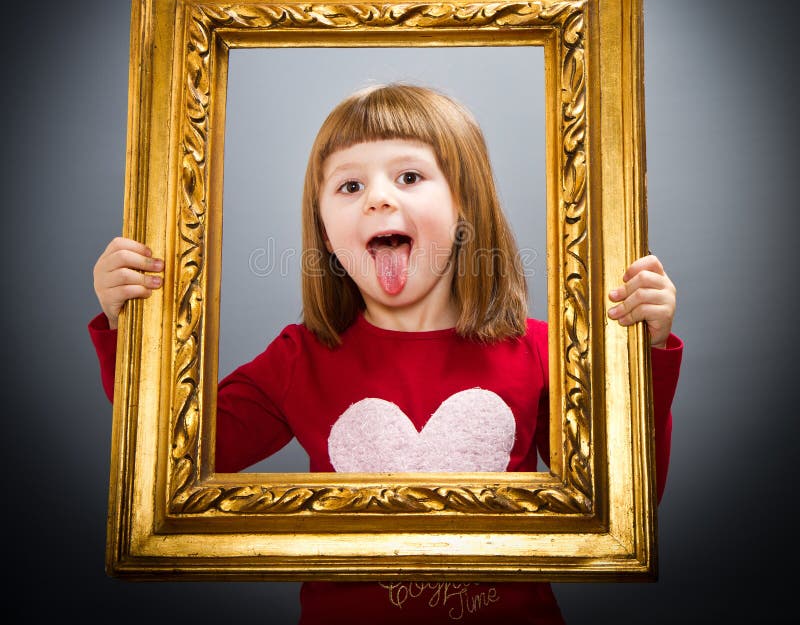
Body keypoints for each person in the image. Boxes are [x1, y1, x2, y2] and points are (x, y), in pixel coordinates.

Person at [89, 84, 681, 624]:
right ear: (325, 231)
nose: (377, 199)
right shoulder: (300, 359)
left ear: (464, 210)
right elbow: (169, 458)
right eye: (350, 186)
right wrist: (131, 328)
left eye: (409, 178)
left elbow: (621, 498)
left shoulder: (541, 350)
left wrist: (644, 354)